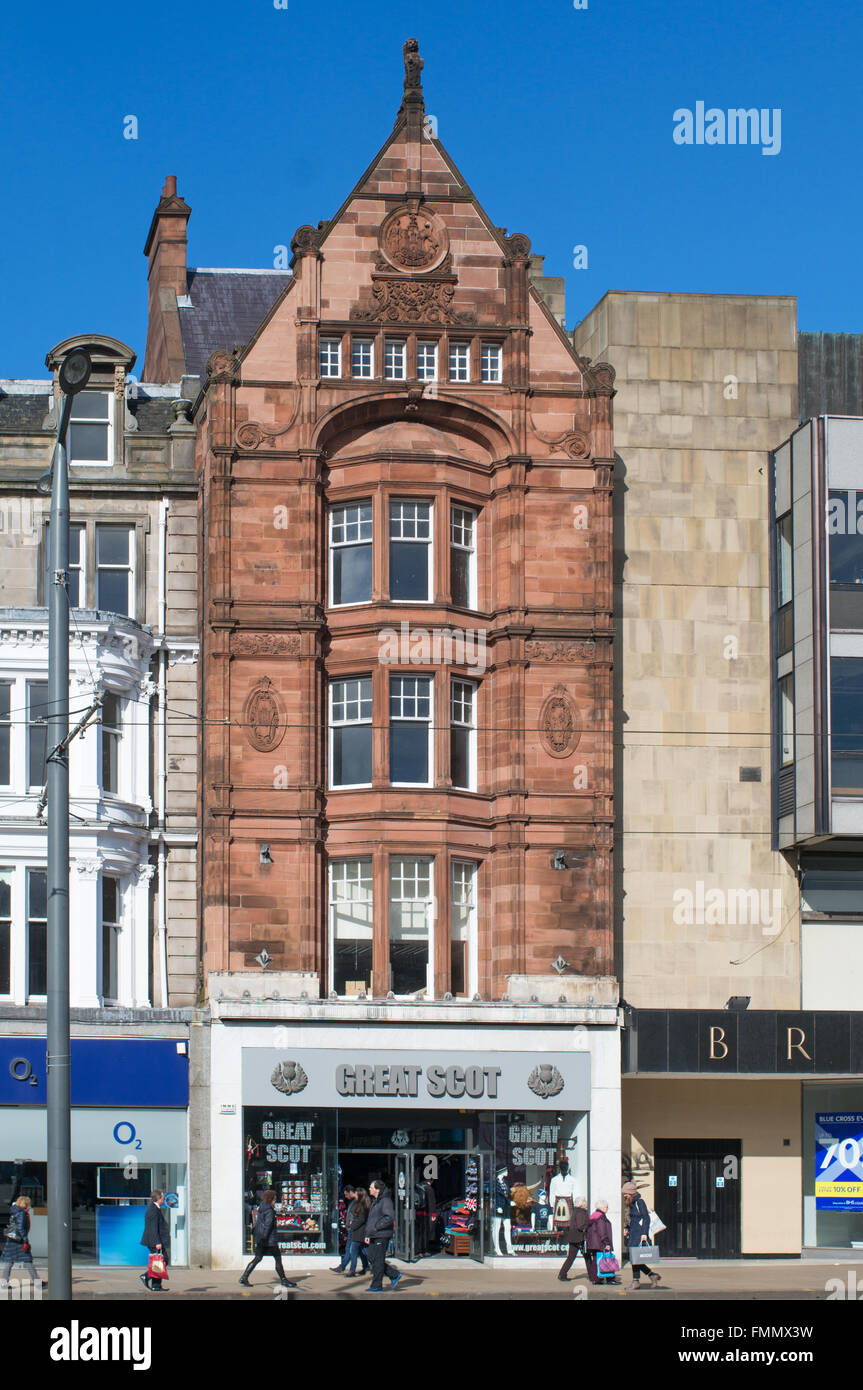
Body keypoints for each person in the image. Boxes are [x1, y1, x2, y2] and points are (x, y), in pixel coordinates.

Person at [239, 1190, 297, 1289]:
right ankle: (283, 1280)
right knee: (278, 1258)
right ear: (271, 1199)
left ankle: (244, 1277)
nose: (275, 1201)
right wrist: (265, 1238)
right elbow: (268, 1225)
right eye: (274, 1199)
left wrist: (261, 1239)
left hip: (262, 1239)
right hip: (269, 1240)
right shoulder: (269, 1211)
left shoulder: (263, 1208)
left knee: (258, 1258)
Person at [363, 1180, 402, 1293]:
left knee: (378, 1260)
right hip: (374, 1235)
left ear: (377, 1189)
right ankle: (394, 1274)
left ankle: (376, 1285)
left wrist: (376, 1227)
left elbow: (389, 1217)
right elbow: (372, 1219)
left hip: (382, 1234)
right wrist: (368, 1234)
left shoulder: (386, 1201)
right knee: (371, 1257)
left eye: (371, 1187)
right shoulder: (376, 1201)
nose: (369, 1189)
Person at [622, 1181, 661, 1289]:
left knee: (635, 1258)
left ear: (631, 1193)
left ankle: (636, 1281)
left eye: (626, 1193)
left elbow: (646, 1218)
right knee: (634, 1258)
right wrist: (627, 1228)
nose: (625, 1195)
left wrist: (644, 1234)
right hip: (633, 1233)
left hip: (639, 1234)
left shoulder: (639, 1202)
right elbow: (632, 1219)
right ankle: (652, 1275)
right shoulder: (631, 1203)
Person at [0, 1196, 45, 1289]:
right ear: (25, 1204)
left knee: (9, 1261)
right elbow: (20, 1228)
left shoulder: (15, 1211)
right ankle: (37, 1282)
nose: (30, 1206)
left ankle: (4, 1283)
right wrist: (25, 1240)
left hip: (12, 1240)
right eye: (29, 1204)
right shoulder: (22, 1214)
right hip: (19, 1240)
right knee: (28, 1260)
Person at [140, 1189, 170, 1292]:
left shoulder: (155, 1208)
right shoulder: (153, 1210)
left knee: (160, 1262)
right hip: (154, 1241)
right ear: (159, 1198)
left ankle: (156, 1285)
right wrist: (157, 1242)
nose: (164, 1199)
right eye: (163, 1197)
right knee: (162, 1260)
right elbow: (153, 1228)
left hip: (155, 1240)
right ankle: (147, 1276)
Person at [557, 1195, 589, 1281]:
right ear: (582, 1204)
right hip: (579, 1238)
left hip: (573, 1237)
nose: (587, 1204)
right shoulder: (581, 1212)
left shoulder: (575, 1211)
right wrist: (589, 1226)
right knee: (587, 1257)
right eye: (585, 1202)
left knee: (571, 1257)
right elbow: (580, 1226)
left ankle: (562, 1274)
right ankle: (592, 1275)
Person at [585, 1199, 614, 1285]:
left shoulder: (594, 1216)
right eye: (606, 1207)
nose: (607, 1208)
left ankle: (596, 1278)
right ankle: (607, 1278)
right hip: (599, 1243)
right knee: (606, 1259)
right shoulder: (601, 1217)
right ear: (602, 1207)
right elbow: (602, 1231)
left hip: (594, 1243)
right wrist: (607, 1243)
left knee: (596, 1261)